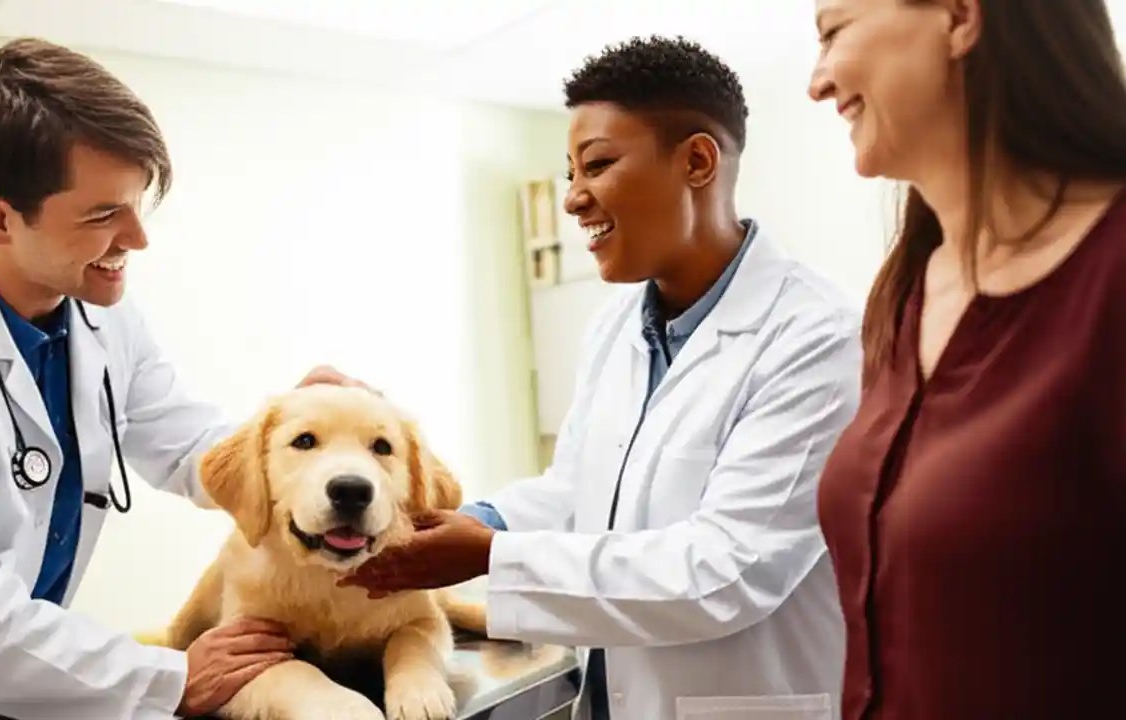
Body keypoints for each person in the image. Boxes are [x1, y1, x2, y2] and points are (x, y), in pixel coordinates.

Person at [338, 36, 861, 720]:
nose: (573, 200)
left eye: (599, 165)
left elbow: (725, 572)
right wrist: (467, 522)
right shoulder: (615, 327)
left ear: (698, 161)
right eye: (570, 173)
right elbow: (578, 489)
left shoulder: (817, 336)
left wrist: (491, 554)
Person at [0, 38, 321, 720]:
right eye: (102, 215)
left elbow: (192, 449)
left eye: (137, 204)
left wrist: (304, 441)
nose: (137, 238)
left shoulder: (100, 316)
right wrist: (171, 678)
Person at [806, 1, 1126, 718]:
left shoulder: (1111, 279)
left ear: (958, 16)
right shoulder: (902, 298)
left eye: (832, 33)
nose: (817, 82)